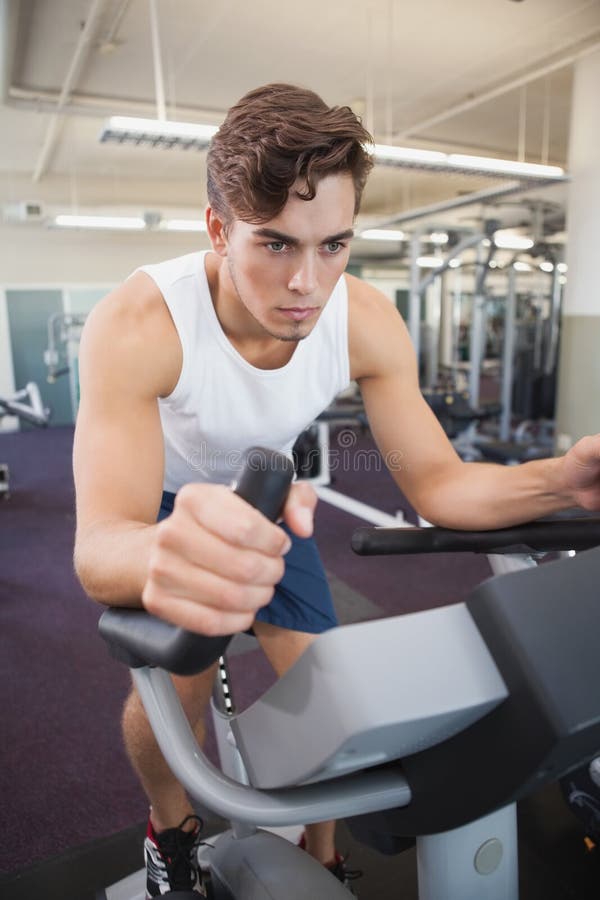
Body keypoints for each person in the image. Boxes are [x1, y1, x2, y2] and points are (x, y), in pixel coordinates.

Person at [73, 83, 600, 897]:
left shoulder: (363, 319)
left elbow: (441, 486)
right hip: (167, 508)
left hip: (274, 501)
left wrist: (560, 479)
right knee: (171, 695)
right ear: (219, 229)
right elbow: (101, 540)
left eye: (333, 246)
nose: (307, 285)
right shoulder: (143, 323)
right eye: (277, 245)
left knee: (337, 691)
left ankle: (320, 849)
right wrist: (156, 550)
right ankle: (171, 833)